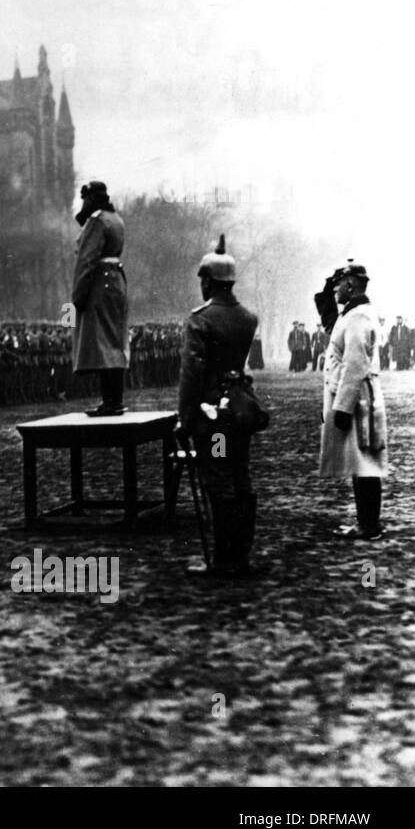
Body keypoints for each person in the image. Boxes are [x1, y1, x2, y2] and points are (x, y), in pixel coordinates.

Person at [176, 235, 261, 577]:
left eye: (203, 280)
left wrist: (185, 419)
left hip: (214, 419)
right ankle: (240, 554)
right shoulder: (247, 318)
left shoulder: (200, 320)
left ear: (209, 281)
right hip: (240, 410)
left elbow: (191, 376)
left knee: (221, 479)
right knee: (241, 476)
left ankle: (226, 560)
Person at [319, 261, 388, 539]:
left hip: (357, 399)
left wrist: (343, 407)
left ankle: (368, 525)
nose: (334, 289)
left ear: (351, 285)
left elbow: (356, 364)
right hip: (359, 396)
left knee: (364, 463)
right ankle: (366, 523)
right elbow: (330, 323)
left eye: (338, 284)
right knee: (362, 463)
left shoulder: (358, 316)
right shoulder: (355, 313)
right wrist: (326, 293)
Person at [71, 180, 129, 415]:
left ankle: (110, 402)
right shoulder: (116, 219)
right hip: (116, 281)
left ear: (91, 199)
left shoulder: (96, 221)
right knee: (114, 341)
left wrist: (77, 296)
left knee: (103, 342)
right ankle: (115, 400)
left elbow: (86, 260)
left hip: (99, 284)